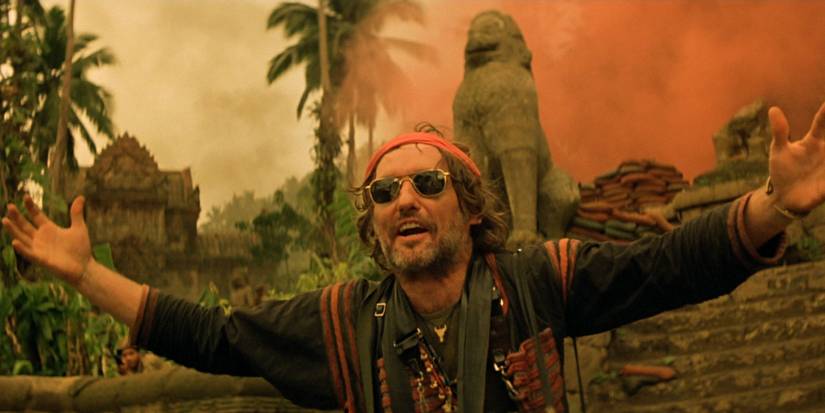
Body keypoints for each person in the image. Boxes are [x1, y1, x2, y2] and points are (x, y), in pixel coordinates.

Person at [3, 103, 825, 412]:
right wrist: (85, 272)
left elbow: (666, 265)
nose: (404, 200)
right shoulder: (341, 322)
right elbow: (211, 336)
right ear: (371, 223)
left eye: (427, 183)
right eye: (384, 191)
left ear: (469, 205)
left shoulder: (536, 281)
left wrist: (771, 205)